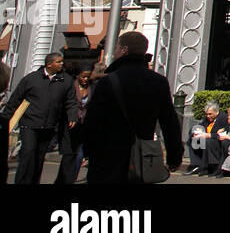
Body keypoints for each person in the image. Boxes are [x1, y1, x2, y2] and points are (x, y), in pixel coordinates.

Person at [81, 32, 183, 184]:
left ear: (124, 50)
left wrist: (88, 151)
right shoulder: (158, 82)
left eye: (116, 48)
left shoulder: (108, 81)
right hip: (142, 159)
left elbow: (93, 122)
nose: (114, 52)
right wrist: (174, 156)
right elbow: (169, 122)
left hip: (107, 156)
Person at [0, 51, 77, 184]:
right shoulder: (32, 79)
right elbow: (16, 99)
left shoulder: (66, 80)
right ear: (49, 64)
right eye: (58, 62)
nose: (62, 64)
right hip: (29, 124)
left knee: (39, 157)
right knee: (28, 153)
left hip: (48, 125)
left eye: (62, 61)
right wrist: (5, 118)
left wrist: (72, 116)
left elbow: (71, 101)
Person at [58, 64, 96, 183]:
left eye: (88, 77)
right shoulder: (70, 87)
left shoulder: (93, 87)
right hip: (70, 126)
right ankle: (64, 180)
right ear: (78, 75)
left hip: (84, 127)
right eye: (83, 77)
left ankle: (70, 179)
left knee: (79, 155)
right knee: (69, 156)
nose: (85, 79)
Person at [188, 100, 229, 174]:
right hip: (207, 139)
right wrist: (196, 132)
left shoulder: (224, 118)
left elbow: (226, 133)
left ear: (216, 112)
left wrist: (209, 135)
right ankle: (197, 165)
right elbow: (201, 125)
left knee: (207, 141)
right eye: (206, 114)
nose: (208, 116)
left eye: (210, 114)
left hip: (217, 142)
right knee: (193, 139)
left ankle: (210, 167)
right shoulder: (207, 118)